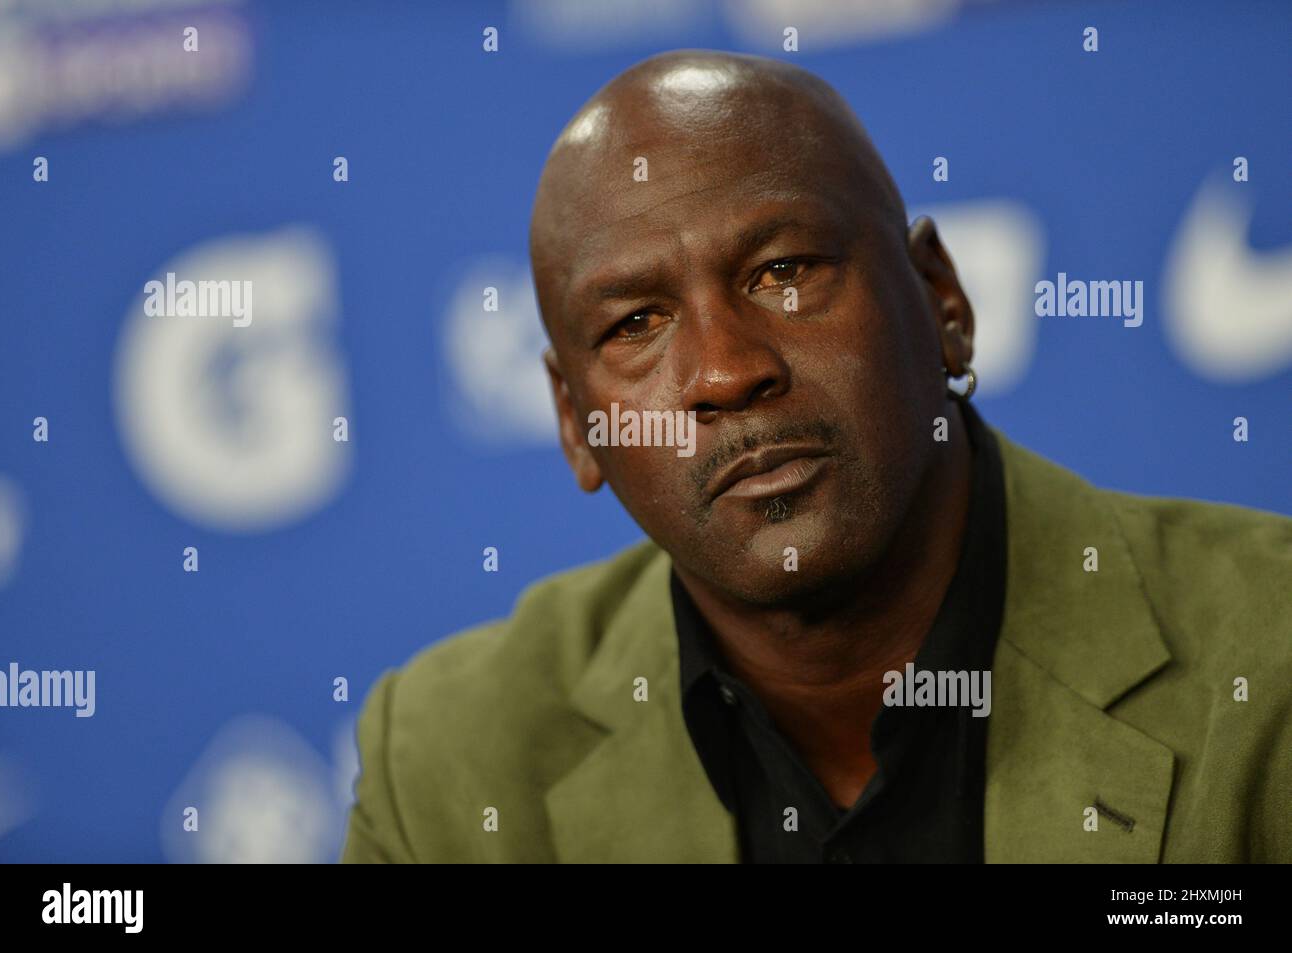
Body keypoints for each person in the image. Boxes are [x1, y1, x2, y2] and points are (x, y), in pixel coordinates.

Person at [341, 50, 1291, 863]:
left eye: (783, 272)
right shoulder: (449, 766)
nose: (724, 370)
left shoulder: (1268, 656)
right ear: (576, 422)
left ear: (942, 305)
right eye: (636, 323)